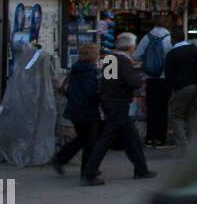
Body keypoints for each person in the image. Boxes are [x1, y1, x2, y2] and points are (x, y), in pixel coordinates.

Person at [82, 32, 154, 185]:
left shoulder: (111, 59)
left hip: (109, 102)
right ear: (131, 47)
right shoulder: (124, 62)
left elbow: (105, 82)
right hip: (119, 103)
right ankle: (89, 173)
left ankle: (141, 169)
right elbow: (133, 82)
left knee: (131, 138)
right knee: (106, 139)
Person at [52, 42, 101, 176]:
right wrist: (100, 98)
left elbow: (70, 89)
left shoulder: (75, 69)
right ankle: (87, 171)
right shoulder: (90, 70)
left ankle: (61, 158)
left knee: (83, 138)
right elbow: (90, 91)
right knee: (89, 141)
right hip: (87, 109)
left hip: (74, 108)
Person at [133, 18, 172, 147]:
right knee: (162, 109)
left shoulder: (147, 37)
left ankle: (149, 137)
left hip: (150, 78)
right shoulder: (168, 38)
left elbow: (136, 56)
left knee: (151, 108)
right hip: (164, 78)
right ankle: (161, 138)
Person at [164, 35, 197, 149]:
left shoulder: (172, 54)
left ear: (173, 40)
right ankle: (192, 145)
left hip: (181, 87)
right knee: (192, 115)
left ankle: (183, 145)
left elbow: (168, 74)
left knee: (175, 116)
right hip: (196, 86)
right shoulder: (194, 49)